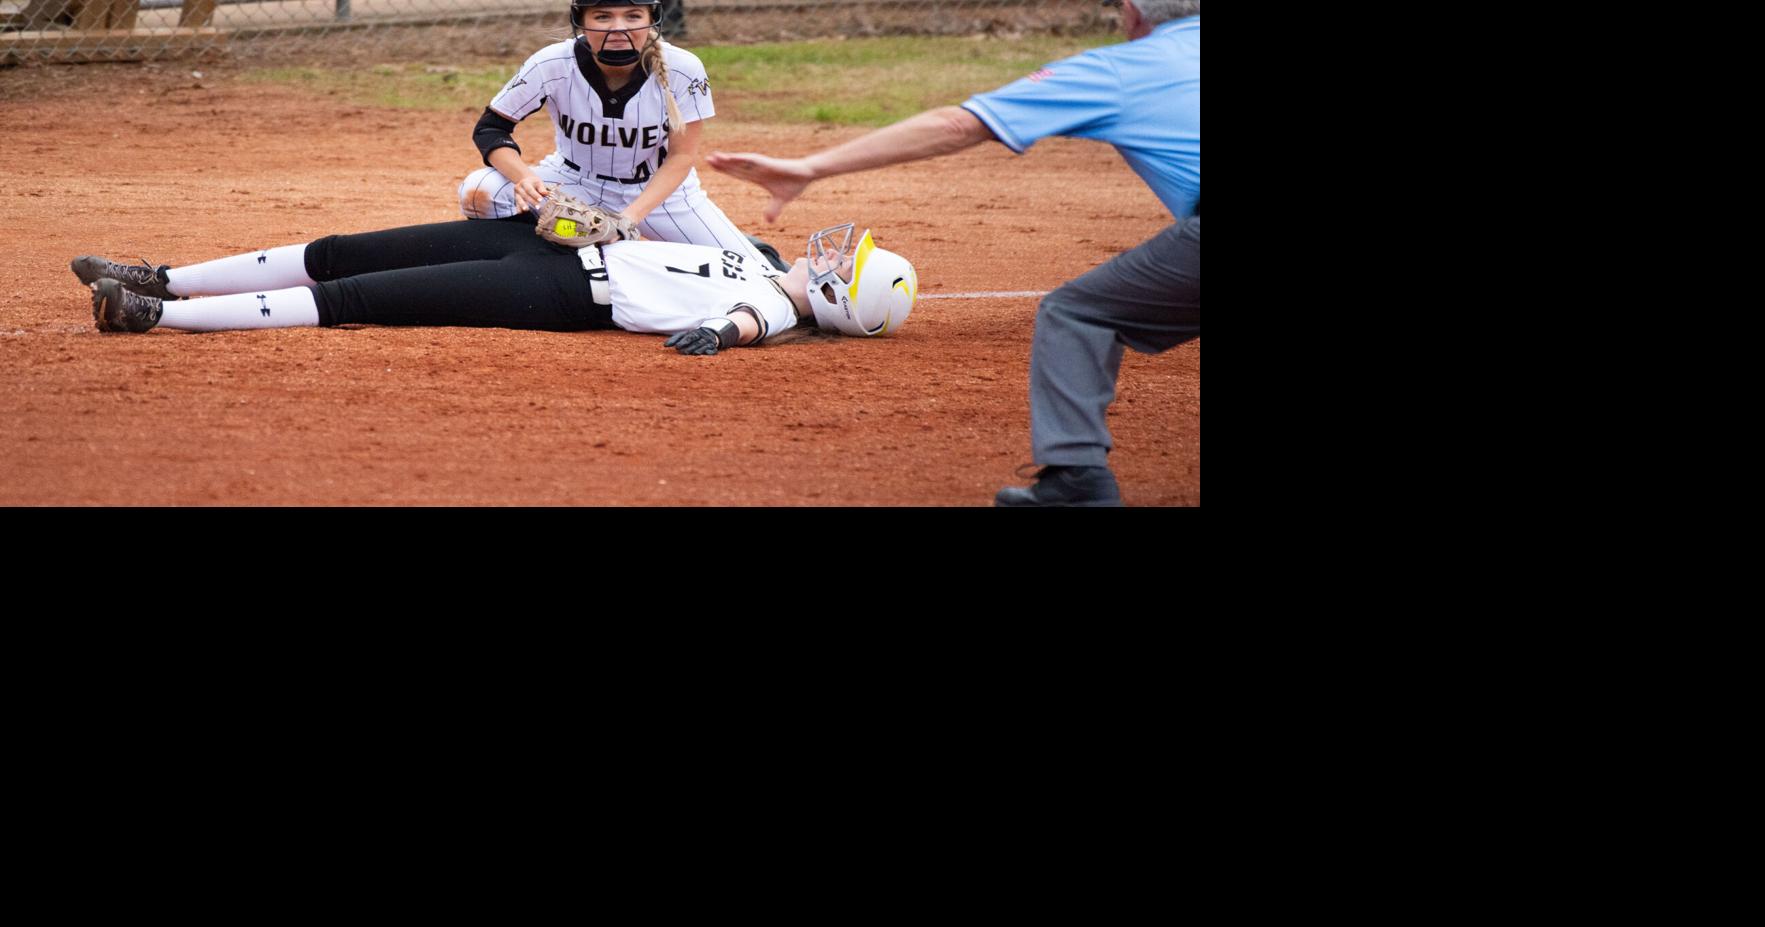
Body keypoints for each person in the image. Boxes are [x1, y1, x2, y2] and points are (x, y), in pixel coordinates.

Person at [706, 0, 1199, 506]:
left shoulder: (1120, 67)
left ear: (1131, 11)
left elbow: (959, 125)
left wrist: (810, 168)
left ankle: (1077, 481)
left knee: (1077, 313)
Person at [68, 218, 916, 353]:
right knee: (343, 252)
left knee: (364, 302)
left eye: (842, 269)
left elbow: (750, 320)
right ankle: (164, 276)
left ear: (837, 301)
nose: (830, 254)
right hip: (542, 241)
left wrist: (722, 334)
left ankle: (154, 316)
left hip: (559, 298)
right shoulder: (761, 256)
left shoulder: (774, 304)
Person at [457, 0, 783, 270]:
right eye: (602, 16)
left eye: (633, 16)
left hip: (658, 194)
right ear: (581, 21)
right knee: (479, 191)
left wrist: (626, 221)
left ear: (651, 19)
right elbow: (491, 128)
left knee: (754, 273)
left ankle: (749, 247)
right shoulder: (552, 63)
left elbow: (681, 157)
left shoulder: (684, 68)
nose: (618, 28)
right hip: (572, 182)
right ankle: (547, 260)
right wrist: (525, 177)